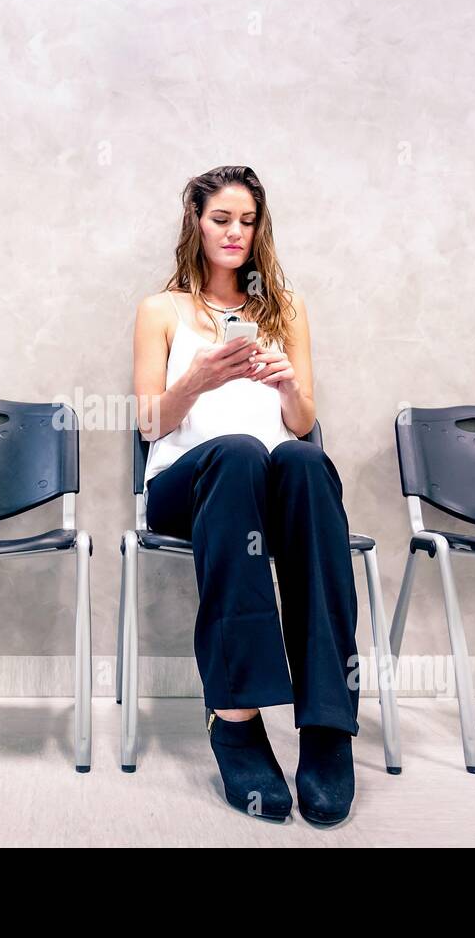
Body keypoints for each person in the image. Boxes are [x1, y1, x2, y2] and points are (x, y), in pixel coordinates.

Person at [132, 165, 360, 825]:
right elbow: (149, 423)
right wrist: (197, 380)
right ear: (195, 224)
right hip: (189, 485)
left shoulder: (284, 309)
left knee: (305, 462)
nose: (235, 232)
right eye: (221, 219)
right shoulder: (162, 310)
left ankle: (326, 726)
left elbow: (302, 421)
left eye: (247, 220)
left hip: (271, 487)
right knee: (236, 453)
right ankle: (235, 718)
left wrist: (290, 387)